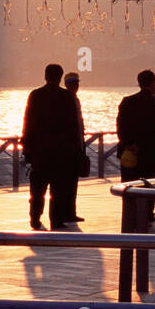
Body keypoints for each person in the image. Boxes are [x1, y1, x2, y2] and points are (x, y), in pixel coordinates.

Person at [21, 64, 81, 230]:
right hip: (62, 151)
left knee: (38, 187)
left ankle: (34, 217)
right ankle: (56, 219)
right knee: (58, 188)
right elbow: (73, 126)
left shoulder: (35, 95)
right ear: (60, 77)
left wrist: (27, 147)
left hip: (40, 151)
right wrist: (74, 148)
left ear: (45, 75)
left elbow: (28, 122)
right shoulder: (67, 97)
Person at [115, 69, 155, 225]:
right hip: (151, 154)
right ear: (153, 84)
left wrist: (130, 144)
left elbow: (120, 126)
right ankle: (147, 214)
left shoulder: (126, 102)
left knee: (129, 184)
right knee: (148, 185)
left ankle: (130, 216)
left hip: (129, 153)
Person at [63, 72, 87, 223]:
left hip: (77, 143)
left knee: (72, 181)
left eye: (76, 82)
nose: (75, 85)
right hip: (68, 146)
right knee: (67, 181)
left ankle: (71, 211)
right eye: (72, 83)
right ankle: (67, 211)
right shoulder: (65, 99)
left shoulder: (75, 99)